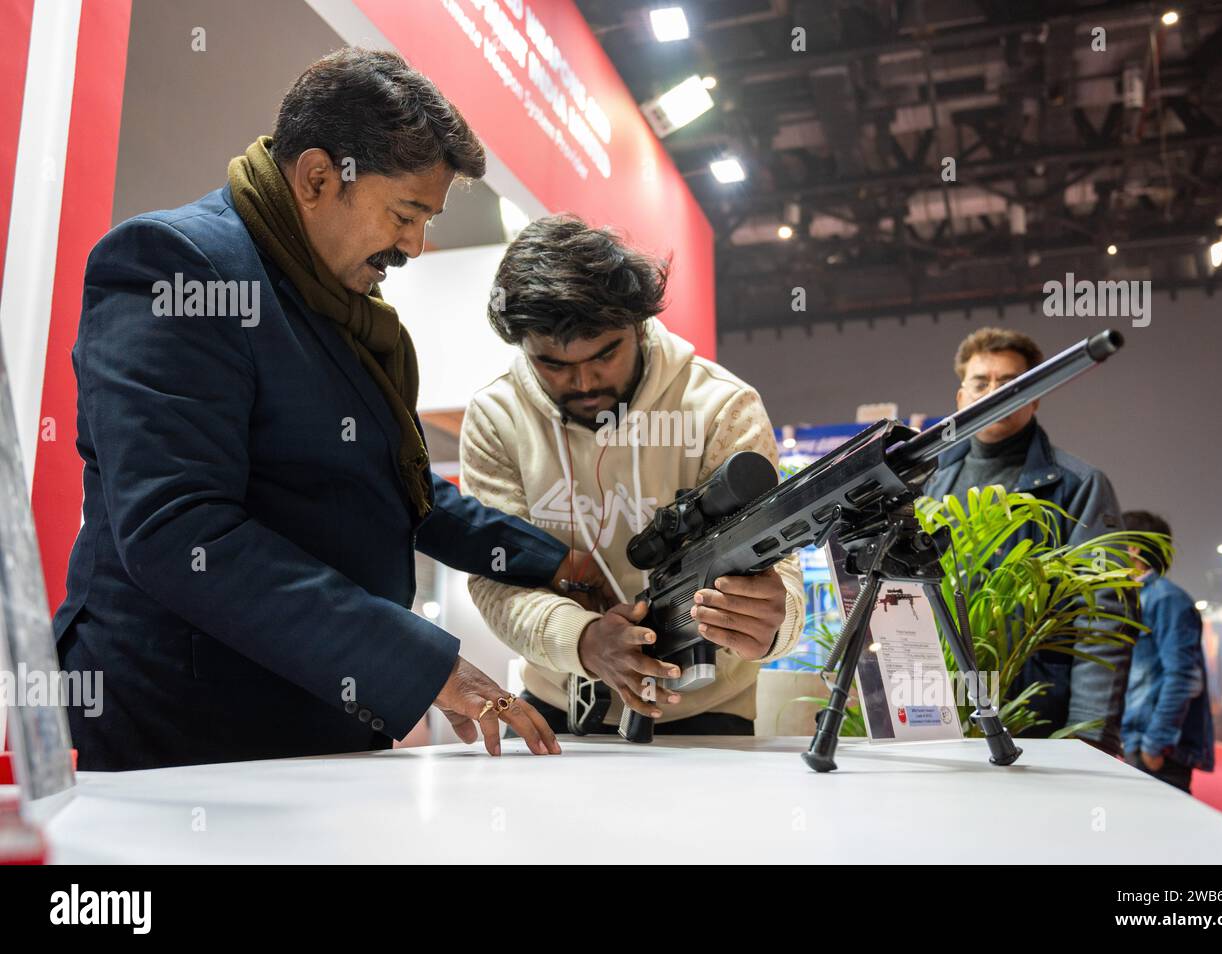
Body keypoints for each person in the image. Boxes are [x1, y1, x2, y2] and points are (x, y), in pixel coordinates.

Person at [53, 48, 602, 770]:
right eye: (405, 214)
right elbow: (178, 529)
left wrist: (557, 562)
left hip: (309, 714)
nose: (413, 244)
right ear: (317, 177)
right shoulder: (177, 266)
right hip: (182, 728)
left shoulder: (333, 300)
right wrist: (419, 664)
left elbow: (394, 486)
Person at [459, 215, 805, 735]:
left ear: (639, 325)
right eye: (552, 364)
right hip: (558, 708)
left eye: (605, 354)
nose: (583, 382)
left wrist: (775, 625)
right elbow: (494, 577)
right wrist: (582, 639)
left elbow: (781, 572)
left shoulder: (721, 407)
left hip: (703, 716)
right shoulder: (495, 418)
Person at [925, 327, 1132, 754]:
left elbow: (1104, 616)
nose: (994, 392)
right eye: (981, 382)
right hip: (943, 719)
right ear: (961, 397)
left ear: (1036, 395)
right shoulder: (930, 487)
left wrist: (1089, 737)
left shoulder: (1078, 485)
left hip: (1039, 723)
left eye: (1012, 382)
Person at [1119, 511, 1215, 792]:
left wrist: (1154, 745)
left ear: (1133, 548)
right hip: (1136, 742)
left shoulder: (1167, 599)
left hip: (1158, 752)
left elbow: (1184, 676)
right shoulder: (1136, 597)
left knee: (1164, 833)